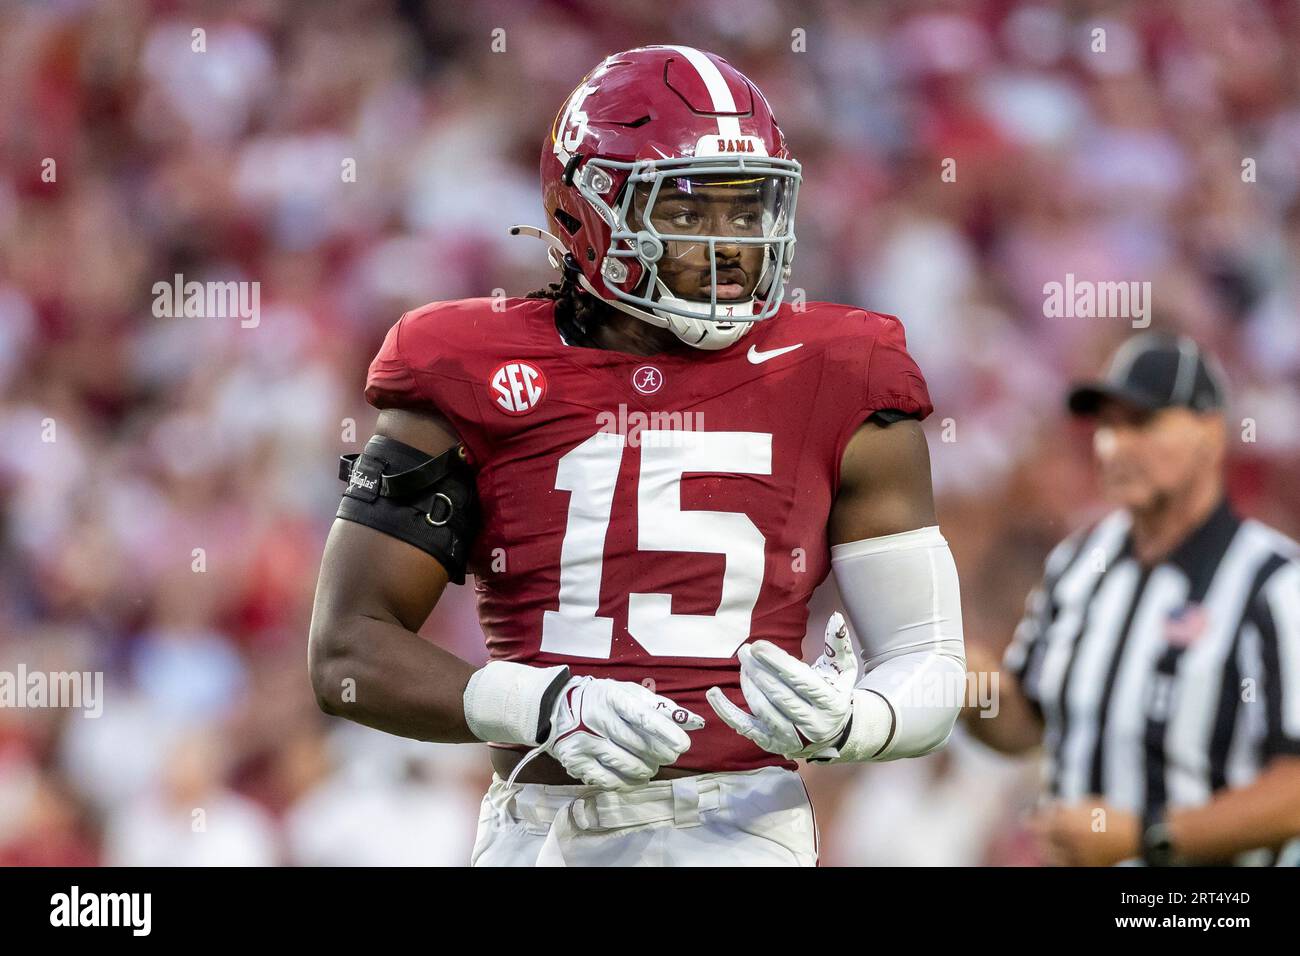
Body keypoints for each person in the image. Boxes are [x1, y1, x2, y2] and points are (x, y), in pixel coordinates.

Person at [309, 45, 965, 867]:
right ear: (581, 213)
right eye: (686, 211)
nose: (728, 246)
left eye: (746, 207)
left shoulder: (844, 371)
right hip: (537, 829)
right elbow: (345, 652)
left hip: (741, 831)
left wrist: (855, 723)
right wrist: (544, 705)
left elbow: (928, 660)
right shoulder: (469, 363)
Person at [963, 333, 1300, 866]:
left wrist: (1150, 836)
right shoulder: (1078, 564)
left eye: (1142, 423)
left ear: (1211, 434)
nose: (1115, 445)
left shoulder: (1275, 584)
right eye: (1106, 425)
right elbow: (1030, 724)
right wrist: (969, 684)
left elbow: (1295, 791)